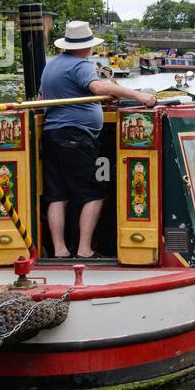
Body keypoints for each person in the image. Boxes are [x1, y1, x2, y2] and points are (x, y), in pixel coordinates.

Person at [40, 20, 158, 259]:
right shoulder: (80, 65)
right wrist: (139, 96)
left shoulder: (51, 66)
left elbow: (42, 96)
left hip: (52, 135)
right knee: (94, 193)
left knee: (58, 195)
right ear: (87, 46)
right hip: (75, 137)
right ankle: (84, 250)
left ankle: (60, 251)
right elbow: (95, 87)